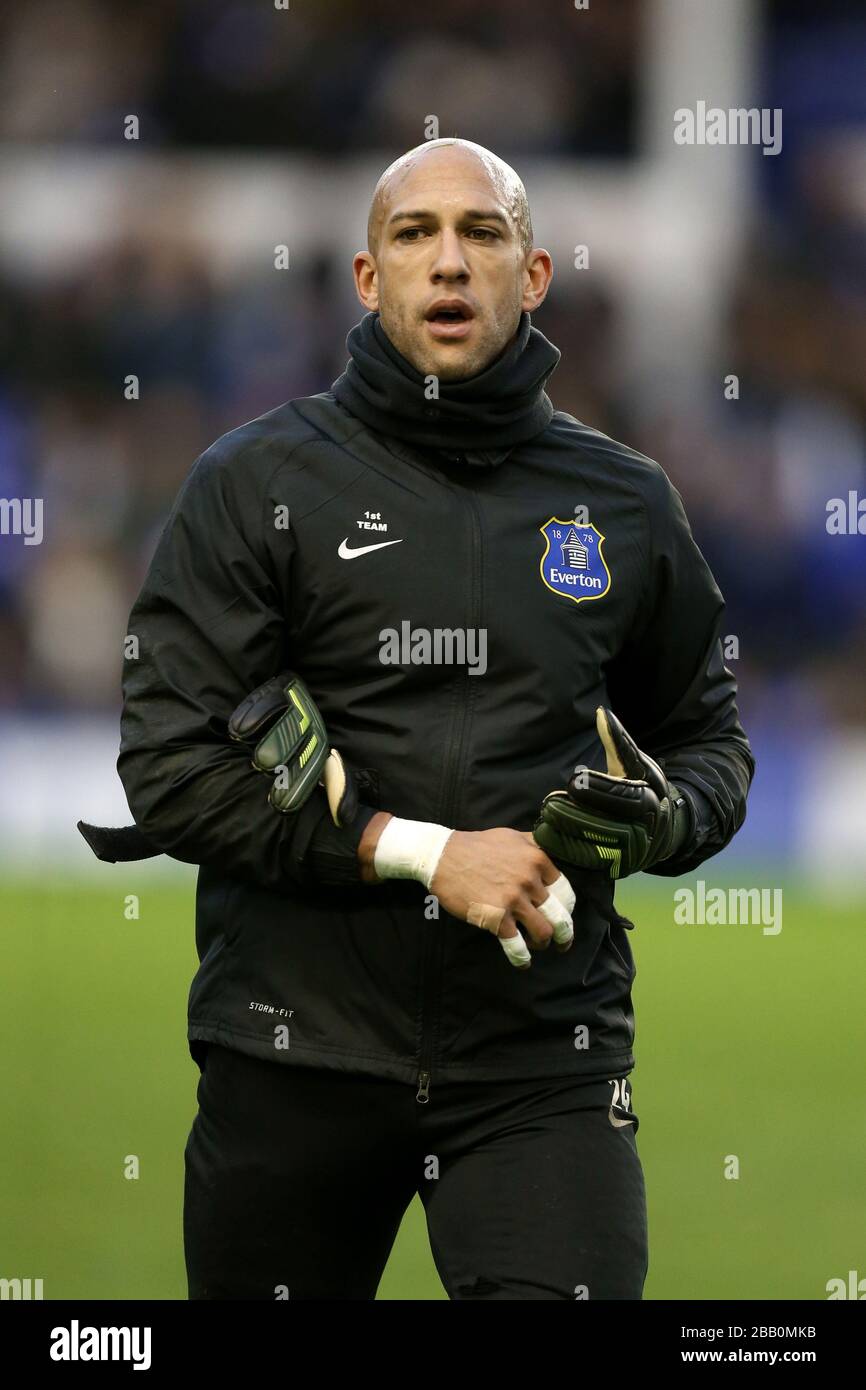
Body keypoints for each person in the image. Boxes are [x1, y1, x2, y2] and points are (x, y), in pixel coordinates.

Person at [116, 138, 754, 1300]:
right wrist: (418, 851)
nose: (448, 264)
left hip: (538, 1065)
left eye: (482, 234)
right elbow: (168, 767)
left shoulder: (624, 502)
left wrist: (656, 824)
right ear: (367, 278)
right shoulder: (253, 484)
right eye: (414, 236)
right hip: (290, 1049)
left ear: (535, 272)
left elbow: (711, 742)